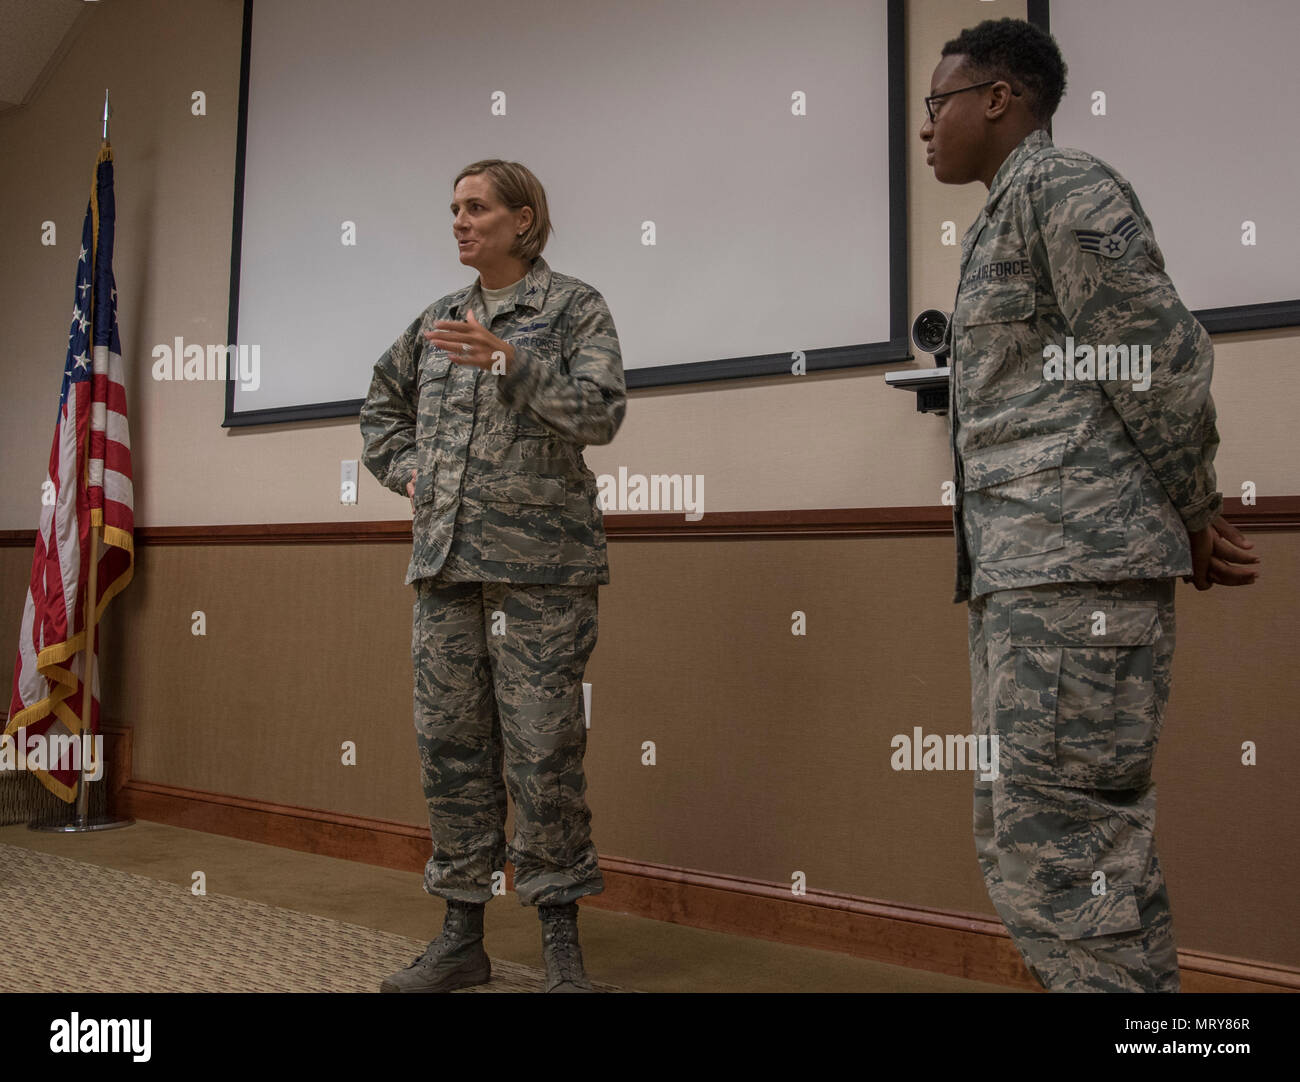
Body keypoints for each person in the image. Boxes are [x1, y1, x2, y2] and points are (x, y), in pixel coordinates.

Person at [920, 18, 1261, 991]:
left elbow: (1156, 357)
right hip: (1032, 573)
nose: (925, 127)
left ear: (998, 97)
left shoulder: (1063, 192)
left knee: (1063, 850)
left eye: (935, 103)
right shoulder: (1005, 211)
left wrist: (1193, 510)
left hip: (1075, 576)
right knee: (1049, 842)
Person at [359, 159, 626, 993]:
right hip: (445, 571)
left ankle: (560, 945)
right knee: (451, 752)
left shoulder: (574, 308)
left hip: (541, 574)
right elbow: (380, 409)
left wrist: (512, 360)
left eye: (475, 208)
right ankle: (461, 936)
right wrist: (412, 476)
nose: (460, 222)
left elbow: (602, 413)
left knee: (544, 754)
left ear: (522, 218)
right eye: (453, 209)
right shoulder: (437, 319)